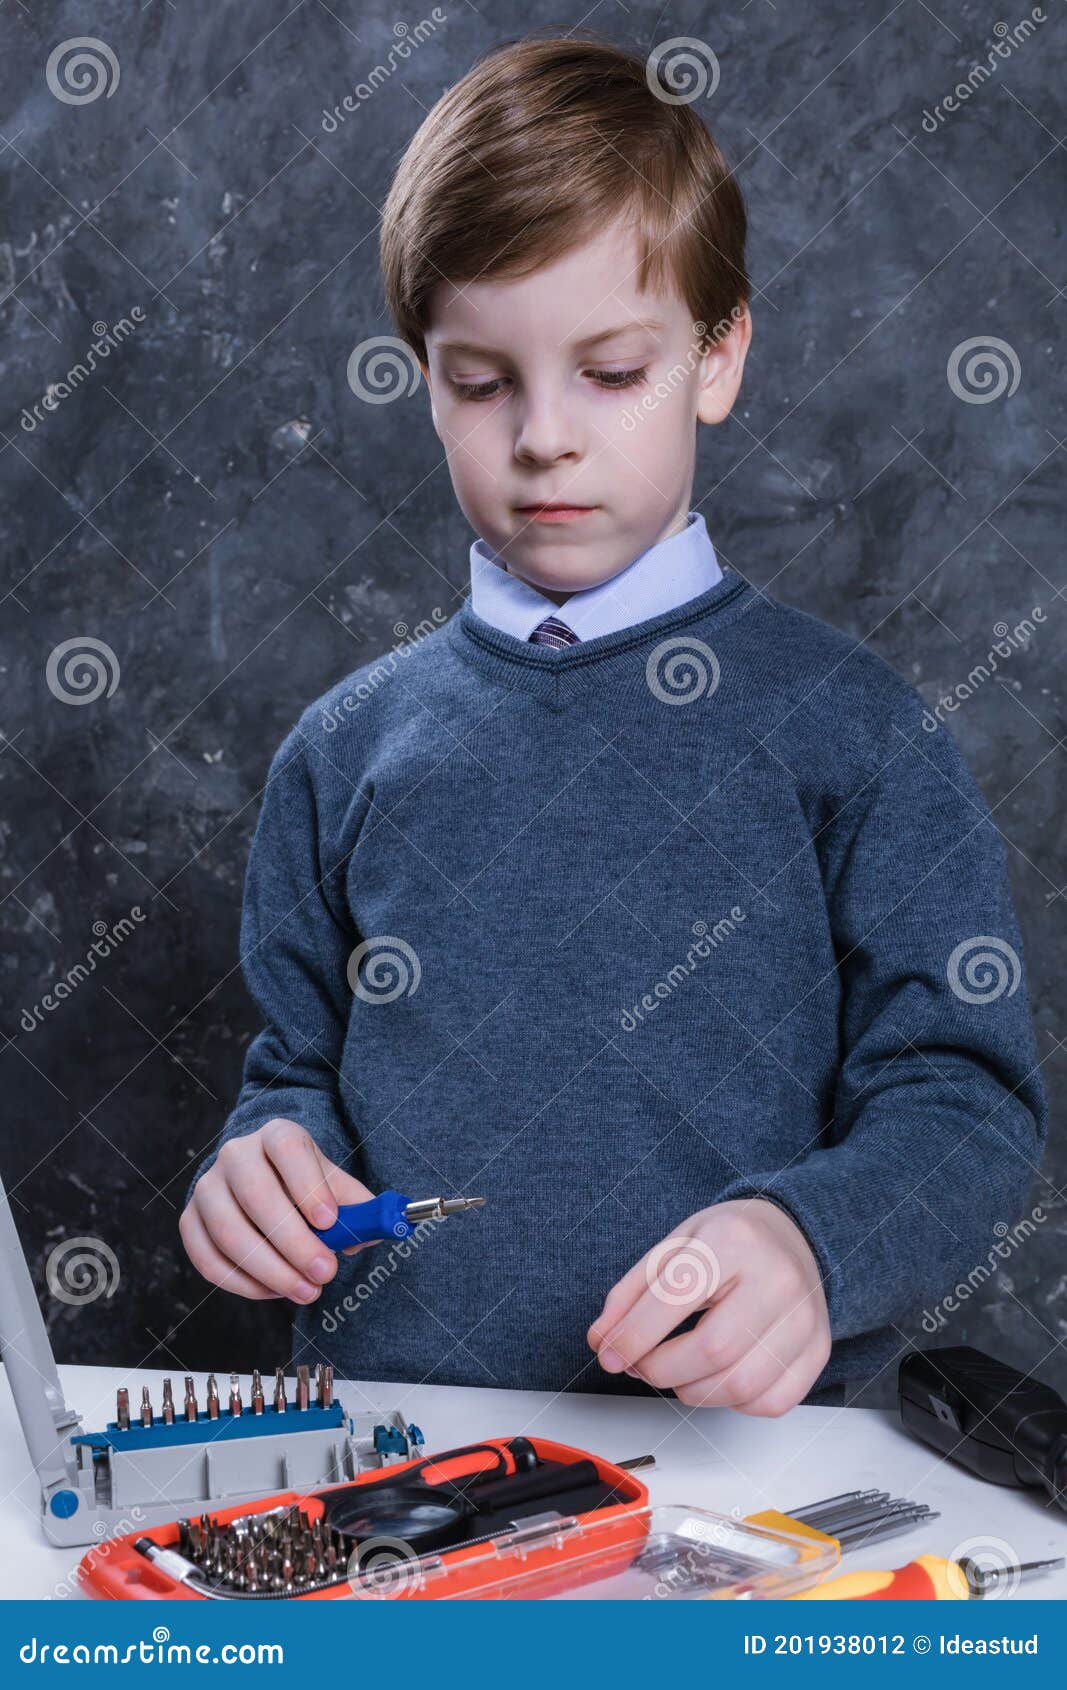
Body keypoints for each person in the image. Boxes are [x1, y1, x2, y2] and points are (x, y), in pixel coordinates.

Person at [181, 35, 1046, 1415]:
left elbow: (967, 1104)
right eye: (482, 382)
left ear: (717, 359)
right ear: (424, 381)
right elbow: (298, 1074)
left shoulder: (858, 736)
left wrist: (813, 1244)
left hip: (770, 1495)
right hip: (405, 1475)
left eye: (610, 371)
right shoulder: (340, 755)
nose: (543, 437)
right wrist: (263, 1160)